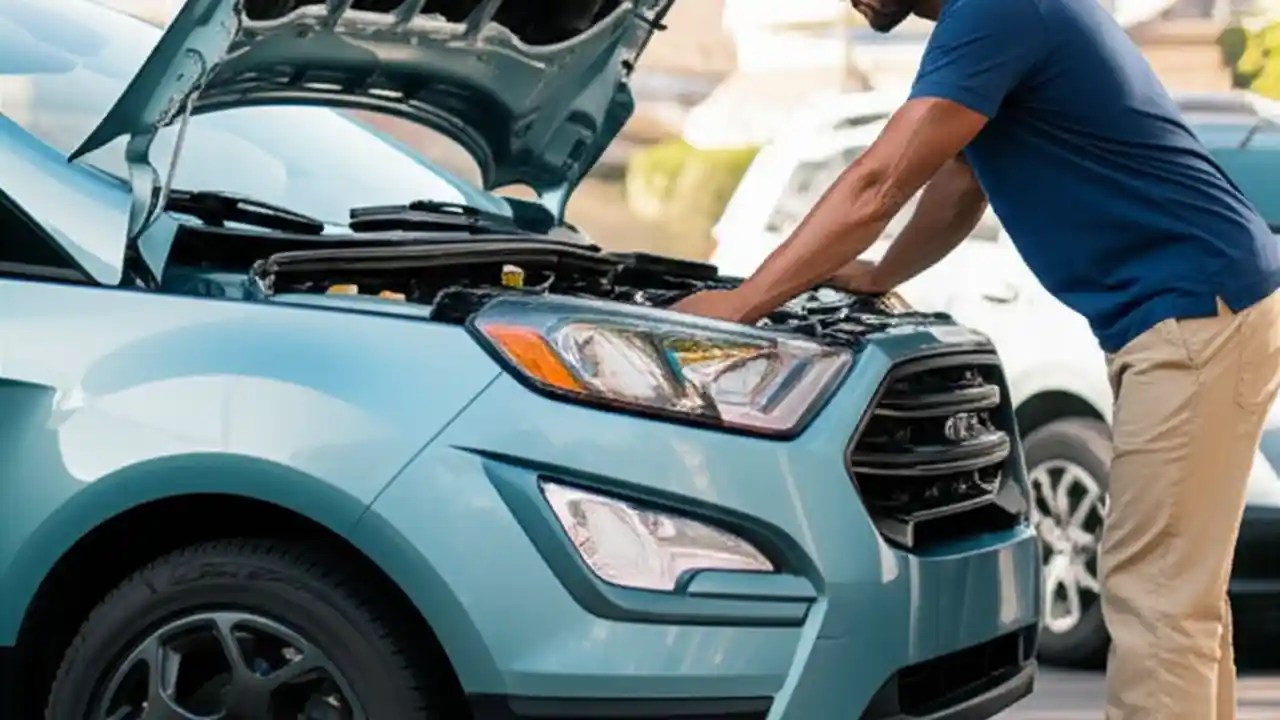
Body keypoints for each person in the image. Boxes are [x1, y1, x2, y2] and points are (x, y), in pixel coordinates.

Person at [671, 0, 1280, 717]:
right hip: (1204, 308)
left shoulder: (996, 11)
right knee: (1179, 595)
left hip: (1191, 314)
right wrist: (882, 274)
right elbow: (960, 180)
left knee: (1153, 595)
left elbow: (877, 181)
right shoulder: (998, 19)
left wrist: (745, 302)